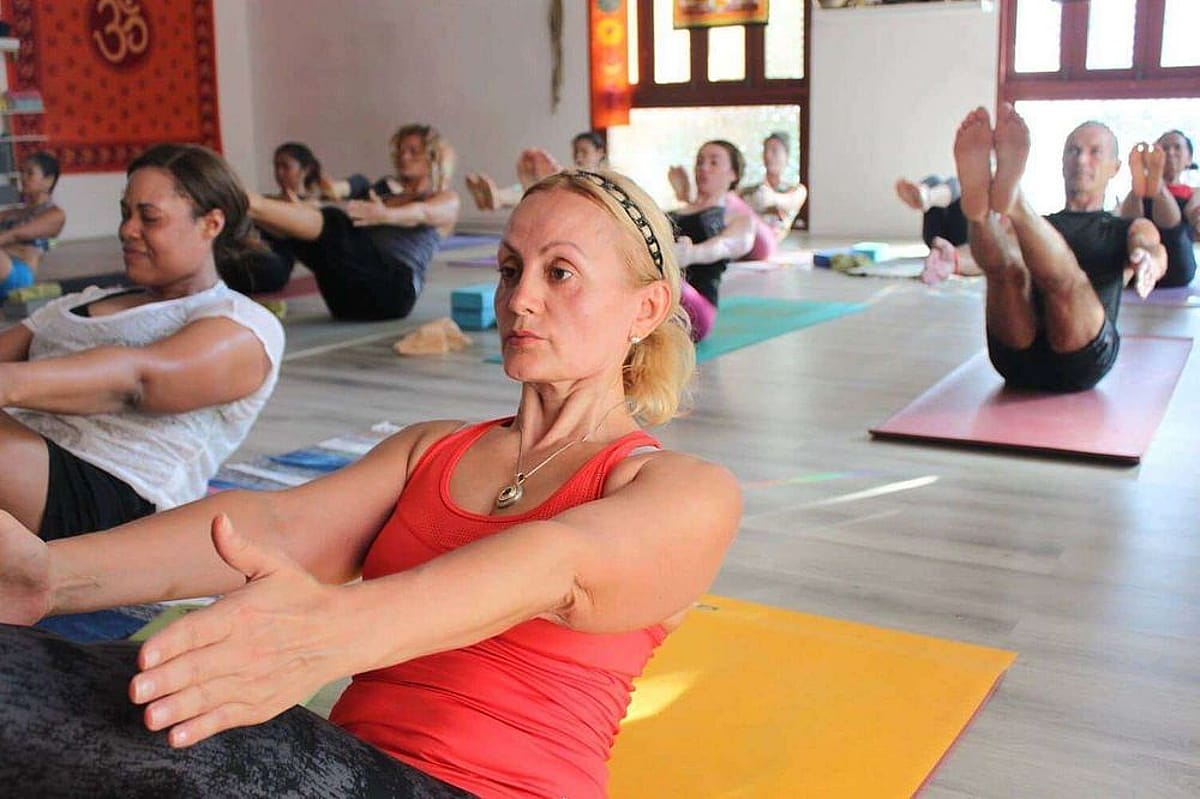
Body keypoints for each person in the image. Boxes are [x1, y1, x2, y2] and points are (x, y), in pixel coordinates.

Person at [0, 168, 741, 798]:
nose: (520, 300)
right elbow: (277, 528)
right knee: (98, 692)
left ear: (645, 309)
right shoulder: (433, 449)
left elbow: (558, 564)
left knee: (182, 723)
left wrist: (327, 634)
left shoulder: (686, 491)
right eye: (511, 268)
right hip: (343, 771)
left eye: (561, 273)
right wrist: (52, 574)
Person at [0, 143, 285, 540]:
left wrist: (9, 384)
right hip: (29, 462)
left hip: (113, 497)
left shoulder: (242, 325)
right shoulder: (82, 300)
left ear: (211, 224)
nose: (127, 230)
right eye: (125, 213)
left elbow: (135, 382)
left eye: (149, 218)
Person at [954, 104, 1167, 393]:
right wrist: (952, 258)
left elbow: (1152, 247)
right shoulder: (1036, 228)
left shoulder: (1127, 227)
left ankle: (1010, 202)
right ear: (1062, 162)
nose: (1081, 160)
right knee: (1006, 272)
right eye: (1073, 151)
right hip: (1014, 355)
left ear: (1114, 168)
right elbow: (983, 258)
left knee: (1066, 280)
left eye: (1095, 152)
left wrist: (1149, 262)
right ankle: (979, 214)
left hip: (1083, 358)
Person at [249, 123, 459, 321]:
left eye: (413, 151)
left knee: (334, 222)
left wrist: (385, 215)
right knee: (300, 233)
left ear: (433, 157)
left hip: (393, 294)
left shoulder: (445, 198)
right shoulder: (382, 192)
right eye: (401, 151)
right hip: (344, 302)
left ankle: (249, 202)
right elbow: (333, 201)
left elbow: (422, 212)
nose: (404, 156)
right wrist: (300, 209)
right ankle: (244, 209)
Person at [671, 140, 757, 342]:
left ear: (733, 174)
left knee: (660, 279)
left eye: (714, 162)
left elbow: (725, 245)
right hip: (662, 294)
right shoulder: (674, 212)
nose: (703, 168)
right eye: (700, 161)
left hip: (696, 310)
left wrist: (691, 254)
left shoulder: (735, 218)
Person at [220, 142, 325, 295]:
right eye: (276, 166)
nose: (279, 172)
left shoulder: (312, 206)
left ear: (305, 170)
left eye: (285, 166)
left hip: (274, 264)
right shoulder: (266, 201)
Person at [1117, 129, 1198, 287]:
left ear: (1189, 159)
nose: (1170, 153)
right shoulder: (1135, 196)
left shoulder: (1194, 192)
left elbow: (1194, 213)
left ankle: (1157, 184)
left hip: (1176, 262)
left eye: (1177, 148)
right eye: (1164, 148)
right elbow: (1121, 218)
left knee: (1174, 224)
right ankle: (1145, 182)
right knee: (1134, 222)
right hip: (1136, 264)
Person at [465, 131, 607, 211]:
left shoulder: (605, 181)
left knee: (540, 188)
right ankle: (496, 196)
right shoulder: (572, 175)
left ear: (600, 153)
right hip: (556, 203)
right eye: (576, 151)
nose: (578, 156)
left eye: (584, 151)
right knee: (529, 188)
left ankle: (498, 198)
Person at [894, 174, 985, 284]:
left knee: (958, 184)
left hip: (959, 241)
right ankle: (926, 195)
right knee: (935, 181)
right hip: (939, 238)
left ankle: (927, 196)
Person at [0, 151, 66, 301]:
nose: (23, 178)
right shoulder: (14, 212)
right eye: (22, 172)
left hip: (18, 276)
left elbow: (14, 235)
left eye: (30, 173)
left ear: (48, 180)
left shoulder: (55, 214)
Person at [739, 132, 807, 240]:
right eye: (766, 150)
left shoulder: (796, 190)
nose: (768, 155)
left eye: (774, 151)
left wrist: (771, 198)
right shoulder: (748, 191)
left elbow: (791, 201)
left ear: (787, 156)